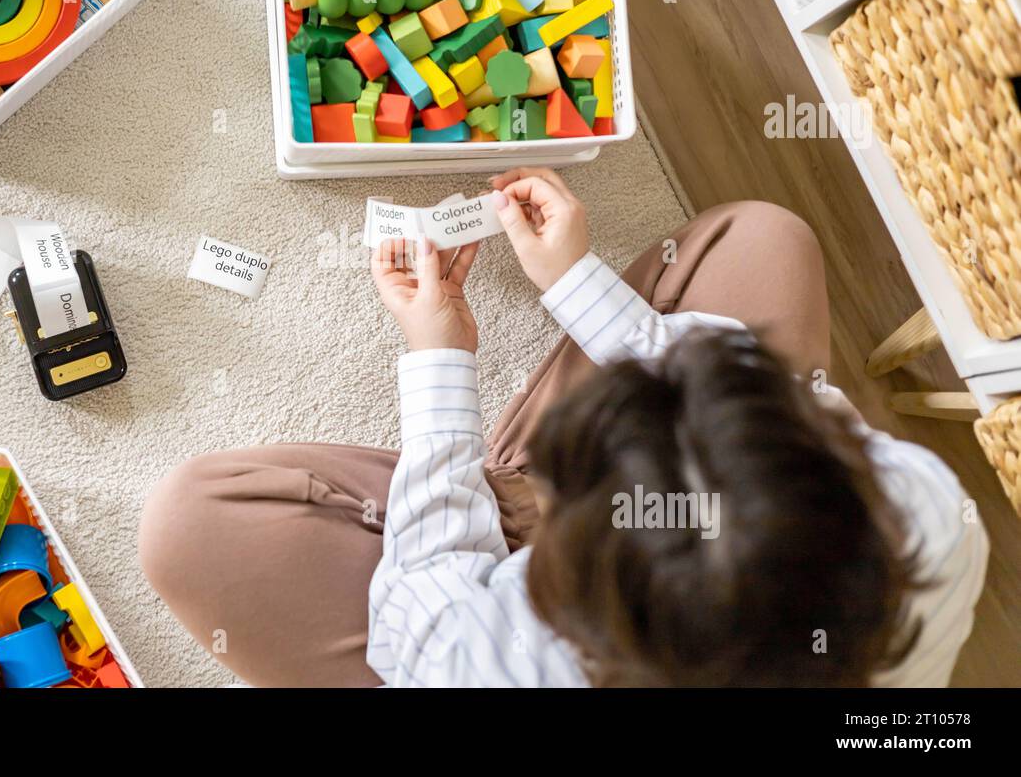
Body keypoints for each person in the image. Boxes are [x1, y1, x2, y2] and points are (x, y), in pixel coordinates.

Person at [139, 168, 988, 687]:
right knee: (764, 238)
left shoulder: (507, 666)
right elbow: (731, 384)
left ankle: (502, 491)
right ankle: (515, 484)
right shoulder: (921, 509)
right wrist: (575, 280)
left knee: (189, 527)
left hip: (457, 638)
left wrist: (442, 356)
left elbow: (429, 595)